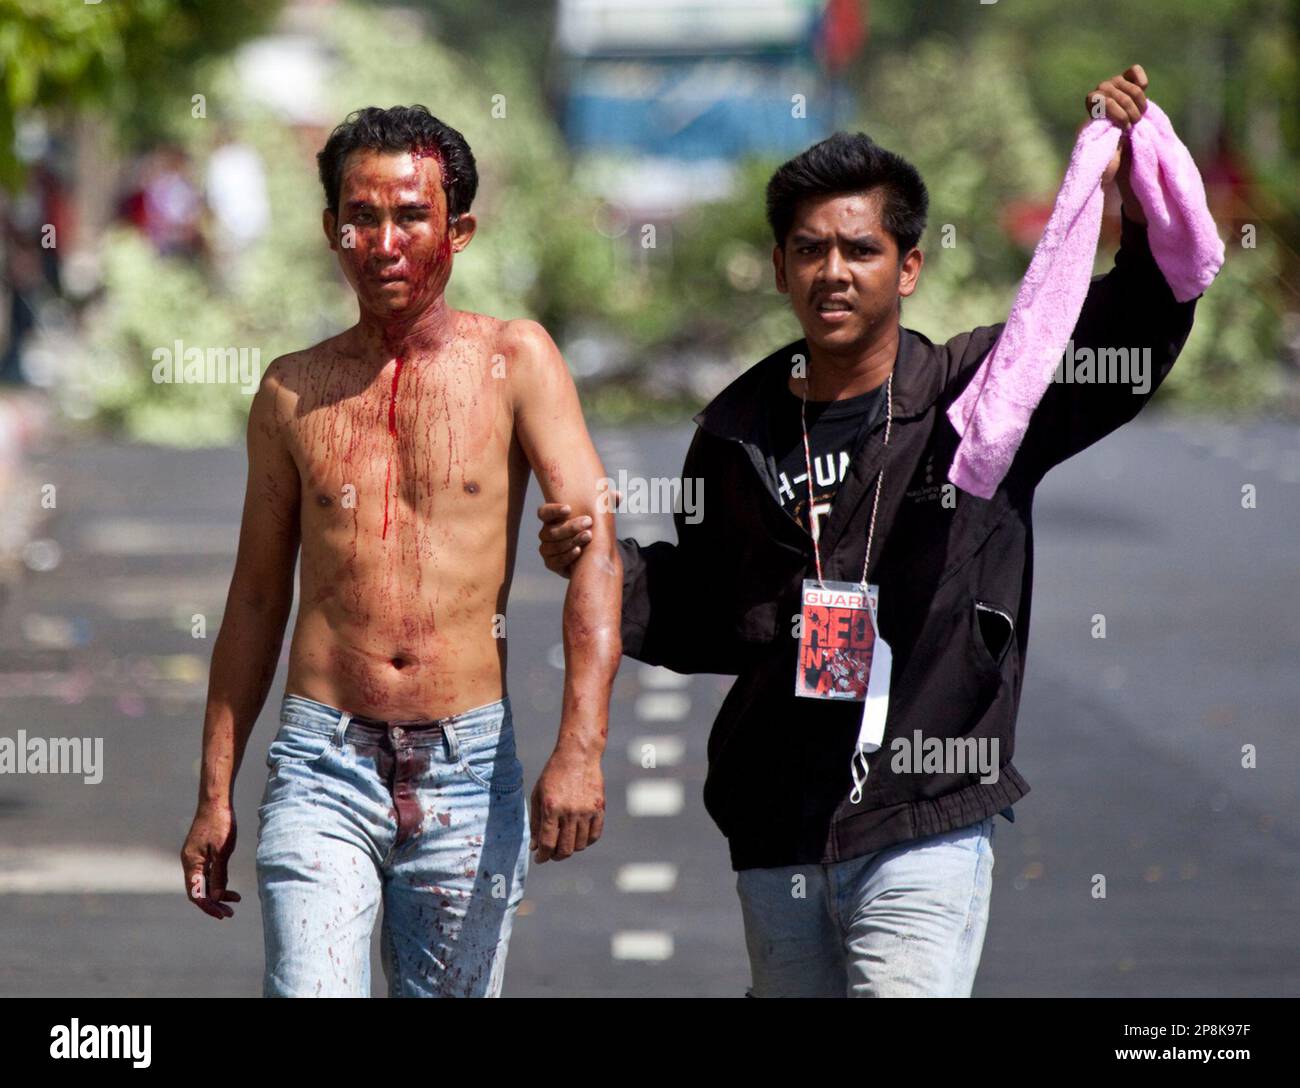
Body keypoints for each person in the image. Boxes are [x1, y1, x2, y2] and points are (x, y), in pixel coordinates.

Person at [538, 66, 1200, 996]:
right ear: (778, 267)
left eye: (859, 249)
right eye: (808, 251)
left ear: (909, 266)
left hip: (923, 814)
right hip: (778, 829)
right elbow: (713, 611)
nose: (832, 272)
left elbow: (1128, 330)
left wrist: (1130, 208)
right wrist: (602, 558)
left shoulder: (984, 400)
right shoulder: (735, 433)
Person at [180, 105, 622, 998]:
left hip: (468, 767)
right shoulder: (291, 391)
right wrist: (215, 790)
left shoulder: (515, 360)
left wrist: (582, 746)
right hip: (320, 762)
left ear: (457, 229)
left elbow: (595, 550)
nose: (384, 240)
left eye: (411, 215)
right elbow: (257, 601)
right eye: (362, 215)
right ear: (330, 229)